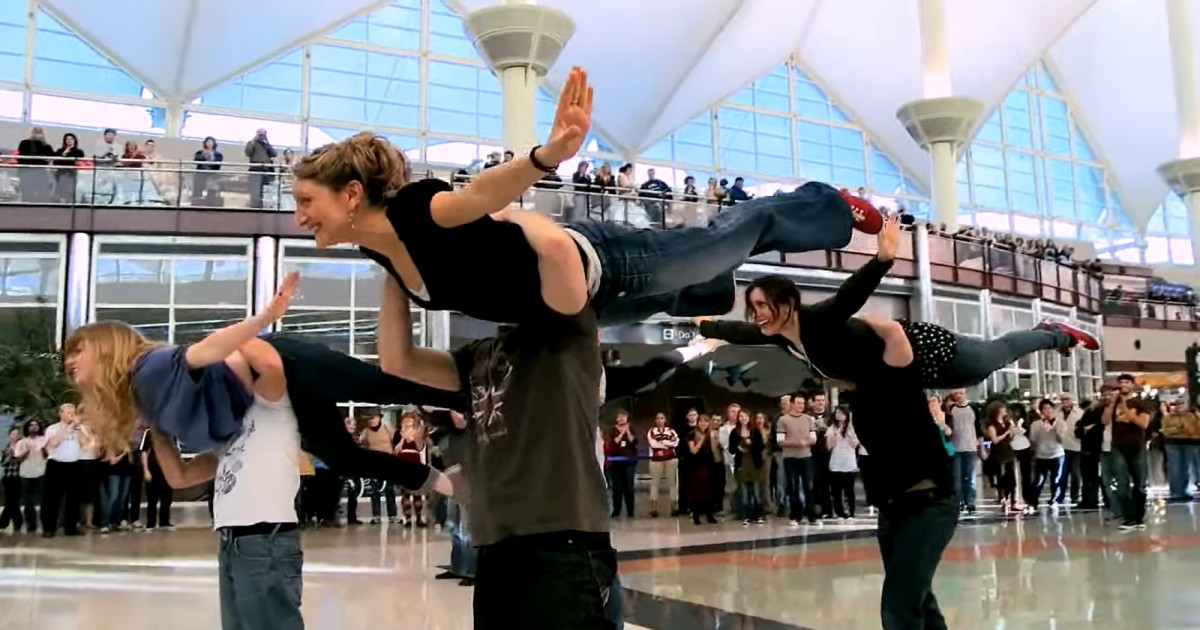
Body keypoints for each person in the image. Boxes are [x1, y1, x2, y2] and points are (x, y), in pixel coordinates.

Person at [290, 67, 884, 329]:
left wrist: (549, 155)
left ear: (350, 194)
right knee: (682, 294)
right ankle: (714, 283)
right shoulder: (381, 257)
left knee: (727, 237)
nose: (298, 216)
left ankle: (822, 203)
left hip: (603, 260)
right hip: (585, 310)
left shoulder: (415, 210)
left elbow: (475, 198)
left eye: (305, 200)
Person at [63, 273, 463, 499]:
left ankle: (469, 395)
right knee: (343, 458)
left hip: (279, 362)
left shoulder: (147, 368)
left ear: (104, 348)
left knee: (379, 387)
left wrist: (265, 317)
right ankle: (441, 481)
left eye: (77, 351)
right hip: (277, 399)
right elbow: (182, 478)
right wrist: (167, 435)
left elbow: (203, 351)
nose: (69, 362)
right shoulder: (148, 406)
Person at [697, 217, 1099, 390]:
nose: (758, 314)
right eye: (754, 307)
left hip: (925, 352)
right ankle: (1048, 336)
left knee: (992, 357)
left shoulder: (818, 320)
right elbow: (736, 330)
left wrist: (883, 257)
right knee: (980, 373)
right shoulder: (781, 337)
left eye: (764, 304)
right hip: (907, 377)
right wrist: (704, 326)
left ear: (787, 302)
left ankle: (1053, 334)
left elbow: (851, 294)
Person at [144, 337, 304, 630]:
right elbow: (179, 477)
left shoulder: (271, 408)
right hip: (232, 542)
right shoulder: (226, 434)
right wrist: (157, 426)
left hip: (265, 541)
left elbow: (267, 361)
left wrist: (207, 347)